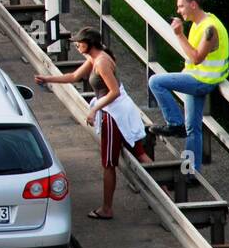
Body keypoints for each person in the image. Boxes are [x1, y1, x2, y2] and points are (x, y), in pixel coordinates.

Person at [36, 27, 150, 219]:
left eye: (79, 42)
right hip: (118, 111)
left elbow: (114, 92)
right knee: (139, 152)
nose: (76, 45)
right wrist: (47, 78)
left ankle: (107, 209)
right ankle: (165, 192)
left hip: (114, 115)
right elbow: (74, 77)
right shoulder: (94, 58)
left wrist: (94, 110)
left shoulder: (102, 62)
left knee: (108, 163)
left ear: (90, 43)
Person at [148, 0, 229, 174]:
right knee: (193, 128)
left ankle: (175, 124)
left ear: (193, 4)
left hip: (202, 80)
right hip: (199, 77)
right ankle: (190, 172)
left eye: (181, 6)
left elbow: (196, 58)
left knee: (156, 82)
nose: (178, 11)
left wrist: (179, 34)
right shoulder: (198, 22)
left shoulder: (210, 27)